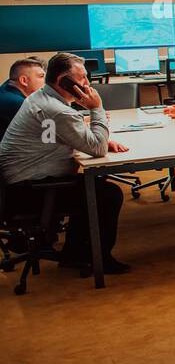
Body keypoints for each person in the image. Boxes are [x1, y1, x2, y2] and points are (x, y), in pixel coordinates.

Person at [0, 52, 131, 275]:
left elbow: (75, 138)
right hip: (30, 191)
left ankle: (77, 254)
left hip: (20, 184)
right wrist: (96, 108)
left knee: (95, 183)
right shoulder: (55, 109)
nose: (88, 84)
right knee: (108, 194)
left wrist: (95, 138)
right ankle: (97, 260)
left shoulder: (41, 97)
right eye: (82, 79)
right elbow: (96, 148)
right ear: (63, 82)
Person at [0, 57, 46, 139]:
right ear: (23, 81)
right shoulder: (19, 103)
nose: (45, 81)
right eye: (41, 76)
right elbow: (47, 137)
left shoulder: (6, 90)